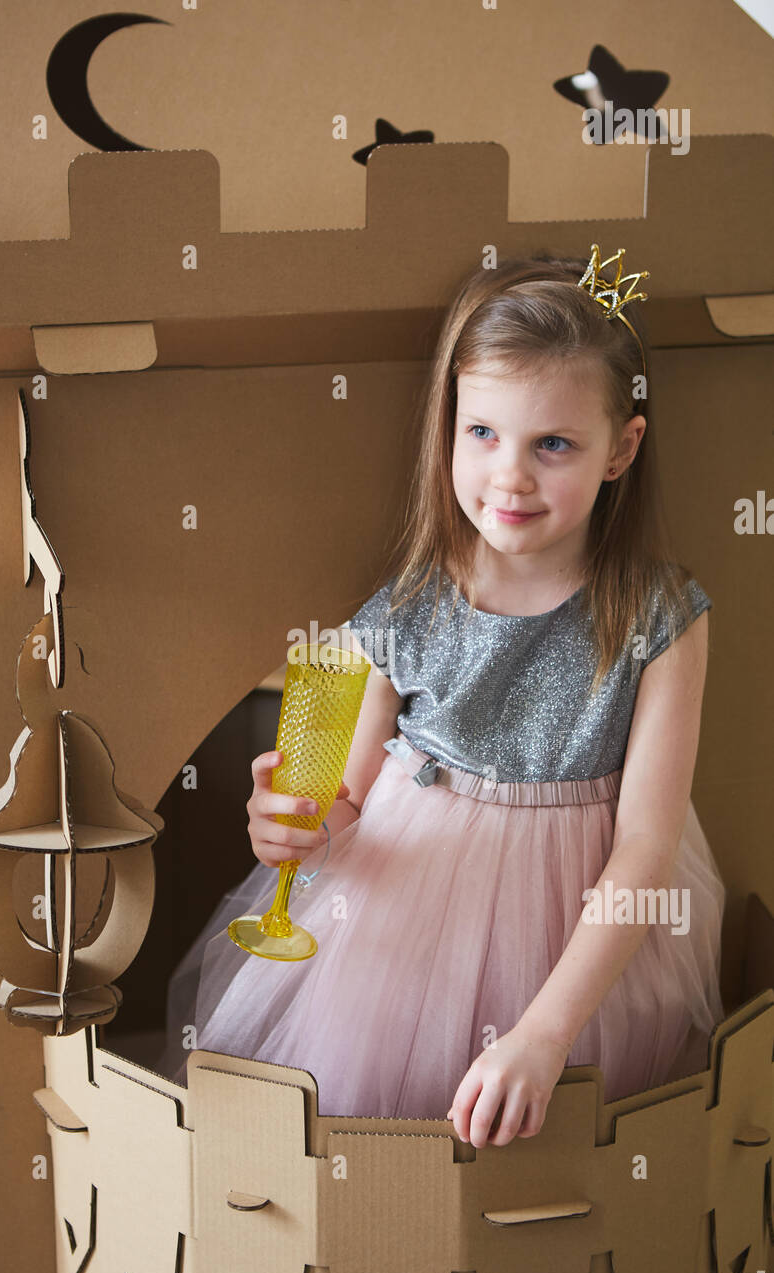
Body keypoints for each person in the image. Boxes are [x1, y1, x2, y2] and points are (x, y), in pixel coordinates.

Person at [155, 246, 725, 1149]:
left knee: (553, 1154)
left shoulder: (660, 619)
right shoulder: (407, 611)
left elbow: (646, 851)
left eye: (554, 444)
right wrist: (291, 827)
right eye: (484, 434)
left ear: (621, 449)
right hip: (407, 919)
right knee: (385, 1137)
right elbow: (342, 801)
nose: (511, 476)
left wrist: (543, 1035)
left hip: (583, 946)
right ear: (450, 428)